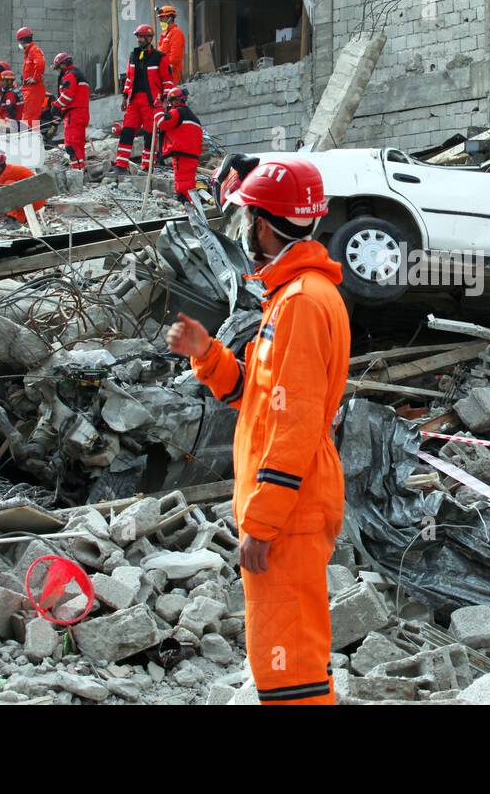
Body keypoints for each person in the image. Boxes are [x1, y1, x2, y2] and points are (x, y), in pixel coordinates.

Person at [165, 155, 347, 704]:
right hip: (288, 504)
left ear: (263, 225)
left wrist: (263, 521)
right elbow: (258, 397)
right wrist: (209, 355)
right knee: (287, 660)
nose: (244, 229)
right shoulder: (291, 297)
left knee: (289, 666)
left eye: (246, 218)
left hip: (287, 512)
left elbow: (294, 424)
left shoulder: (302, 304)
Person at [115, 24, 174, 180]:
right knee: (127, 132)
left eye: (141, 37)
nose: (139, 40)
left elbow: (168, 81)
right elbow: (129, 78)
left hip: (152, 103)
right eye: (138, 37)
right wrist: (124, 96)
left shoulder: (159, 57)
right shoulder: (133, 56)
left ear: (149, 38)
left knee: (150, 135)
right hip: (134, 101)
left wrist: (166, 102)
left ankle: (147, 167)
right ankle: (120, 166)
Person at [155, 87, 203, 202]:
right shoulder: (193, 117)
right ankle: (192, 208)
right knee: (189, 184)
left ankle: (188, 210)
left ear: (174, 100)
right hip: (192, 156)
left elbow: (162, 123)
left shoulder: (177, 112)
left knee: (183, 186)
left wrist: (157, 107)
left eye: (170, 102)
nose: (170, 105)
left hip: (182, 156)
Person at [49, 52, 90, 171]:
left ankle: (77, 171)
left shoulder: (70, 76)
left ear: (62, 65)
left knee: (71, 145)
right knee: (78, 145)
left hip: (74, 113)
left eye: (58, 68)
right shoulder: (78, 74)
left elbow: (67, 96)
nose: (58, 71)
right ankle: (80, 170)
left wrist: (56, 105)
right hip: (80, 113)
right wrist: (56, 120)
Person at [16, 27, 47, 129]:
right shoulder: (29, 52)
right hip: (30, 89)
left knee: (30, 118)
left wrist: (35, 78)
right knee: (28, 117)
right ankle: (29, 139)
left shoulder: (33, 50)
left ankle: (29, 140)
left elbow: (40, 63)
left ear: (22, 40)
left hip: (34, 89)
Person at [157, 5, 186, 84]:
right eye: (160, 18)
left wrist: (161, 65)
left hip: (172, 75)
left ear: (170, 18)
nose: (160, 20)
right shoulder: (164, 34)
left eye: (162, 17)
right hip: (164, 75)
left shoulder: (177, 33)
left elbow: (175, 58)